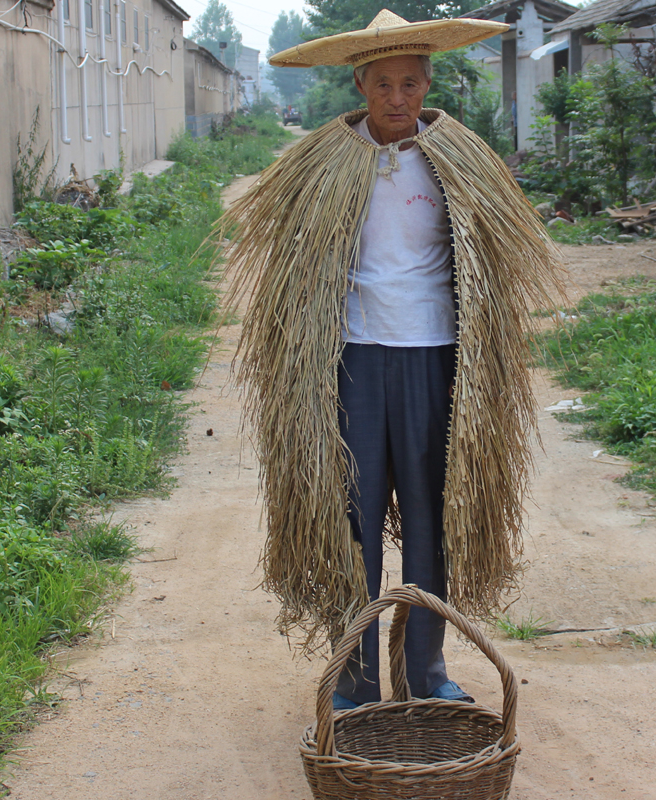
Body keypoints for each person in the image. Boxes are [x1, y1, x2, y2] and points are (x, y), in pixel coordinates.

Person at [222, 9, 563, 709]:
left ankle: (426, 673)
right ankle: (354, 680)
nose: (397, 97)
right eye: (383, 83)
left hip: (436, 356)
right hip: (351, 358)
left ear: (427, 83)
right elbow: (290, 270)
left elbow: (495, 265)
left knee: (434, 515)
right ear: (361, 85)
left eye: (410, 83)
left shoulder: (459, 158)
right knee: (353, 521)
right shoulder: (324, 161)